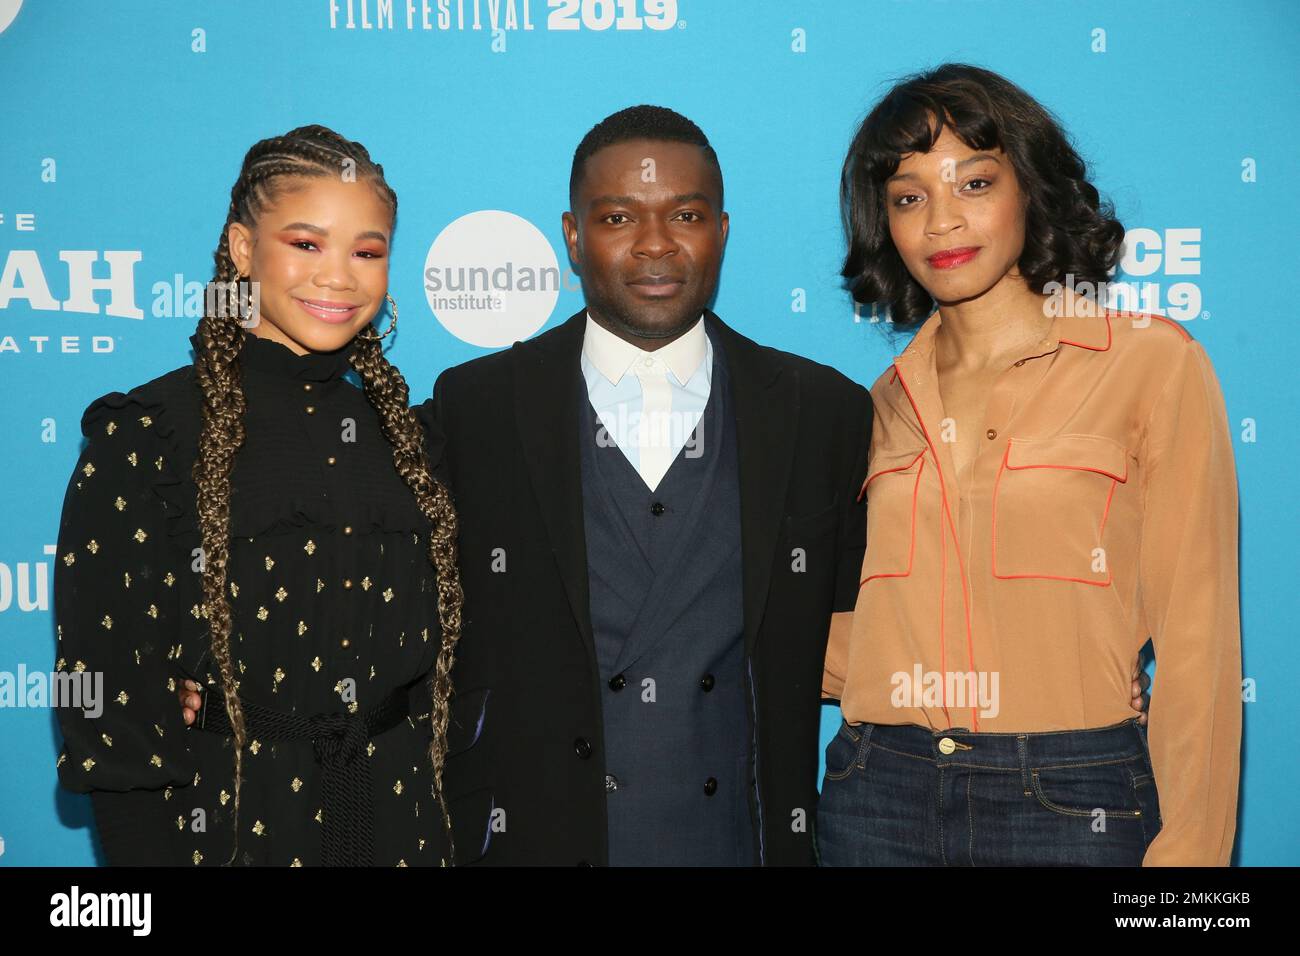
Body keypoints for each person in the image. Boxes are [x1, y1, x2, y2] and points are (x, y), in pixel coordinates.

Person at [820, 64, 1241, 866]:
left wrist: (1192, 865)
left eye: (974, 182)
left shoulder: (1151, 365)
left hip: (1074, 796)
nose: (942, 221)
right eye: (909, 197)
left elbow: (1198, 643)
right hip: (877, 795)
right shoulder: (876, 408)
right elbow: (858, 625)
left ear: (1029, 188)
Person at [53, 125, 488, 866]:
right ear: (244, 249)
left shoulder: (413, 444)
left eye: (367, 251)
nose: (340, 277)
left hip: (405, 827)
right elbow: (110, 710)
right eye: (307, 244)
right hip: (224, 833)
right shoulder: (146, 439)